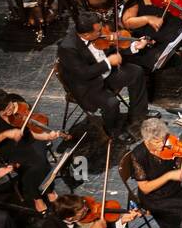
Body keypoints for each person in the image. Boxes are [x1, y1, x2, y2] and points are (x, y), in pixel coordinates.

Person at [57, 10, 150, 145]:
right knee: (112, 103)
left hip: (106, 74)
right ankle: (114, 131)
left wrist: (135, 45)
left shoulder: (98, 35)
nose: (103, 33)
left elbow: (113, 46)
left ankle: (138, 115)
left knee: (136, 72)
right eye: (98, 31)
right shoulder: (67, 47)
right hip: (87, 85)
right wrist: (107, 62)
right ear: (87, 35)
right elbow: (83, 73)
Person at [0, 88, 64, 214]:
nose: (10, 110)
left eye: (10, 106)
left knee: (40, 162)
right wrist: (6, 134)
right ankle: (37, 197)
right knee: (31, 166)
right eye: (5, 111)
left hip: (29, 137)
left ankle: (47, 190)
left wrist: (46, 136)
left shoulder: (17, 101)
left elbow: (30, 129)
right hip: (10, 144)